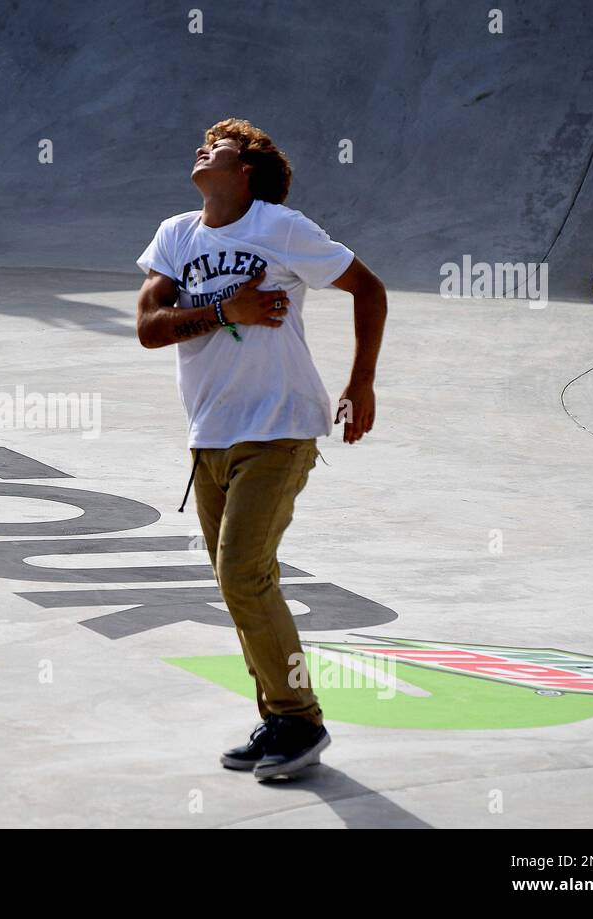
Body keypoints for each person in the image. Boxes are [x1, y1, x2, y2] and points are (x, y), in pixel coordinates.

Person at [135, 117, 387, 780]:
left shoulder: (280, 226)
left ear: (245, 169)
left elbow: (368, 287)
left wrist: (360, 380)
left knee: (244, 572)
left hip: (278, 425)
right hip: (209, 434)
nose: (200, 147)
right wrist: (226, 311)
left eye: (215, 145)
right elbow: (148, 328)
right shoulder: (175, 235)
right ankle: (277, 717)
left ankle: (299, 718)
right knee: (236, 581)